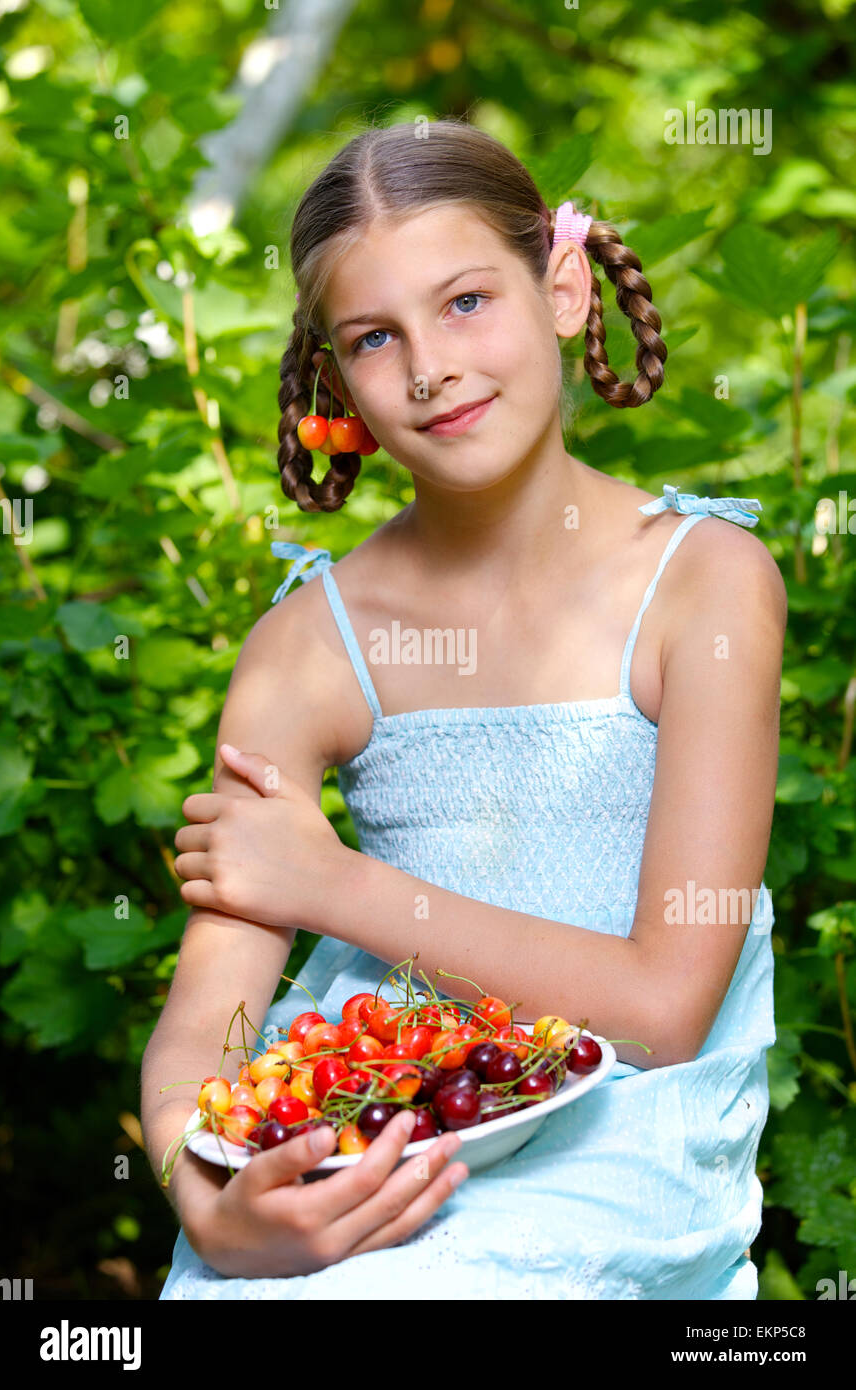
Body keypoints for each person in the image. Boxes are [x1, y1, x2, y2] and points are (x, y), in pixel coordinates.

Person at [144, 117, 787, 1300]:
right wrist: (212, 1207)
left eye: (464, 303)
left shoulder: (699, 582)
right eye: (375, 337)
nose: (429, 367)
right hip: (372, 1135)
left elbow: (664, 1010)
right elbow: (206, 1030)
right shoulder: (305, 647)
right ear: (334, 380)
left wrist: (337, 886)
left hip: (613, 1165)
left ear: (560, 285)